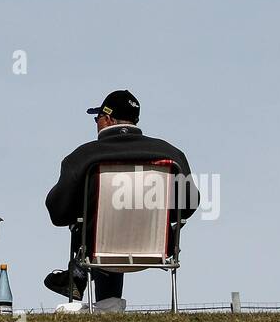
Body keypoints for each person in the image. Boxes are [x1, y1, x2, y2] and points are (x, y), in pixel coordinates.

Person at [44, 89, 198, 307]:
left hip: (98, 249)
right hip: (156, 248)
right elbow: (190, 204)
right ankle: (106, 300)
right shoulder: (171, 154)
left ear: (107, 119)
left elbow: (58, 213)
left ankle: (77, 276)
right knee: (120, 215)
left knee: (90, 220)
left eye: (97, 118)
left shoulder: (83, 156)